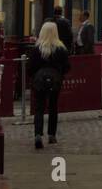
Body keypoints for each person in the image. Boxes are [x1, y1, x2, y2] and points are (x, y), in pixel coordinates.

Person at [27, 21, 70, 149]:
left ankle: (38, 135)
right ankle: (52, 135)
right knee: (53, 107)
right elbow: (67, 66)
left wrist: (34, 76)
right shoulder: (61, 49)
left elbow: (30, 68)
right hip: (55, 80)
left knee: (39, 108)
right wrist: (60, 73)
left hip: (39, 81)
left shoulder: (37, 49)